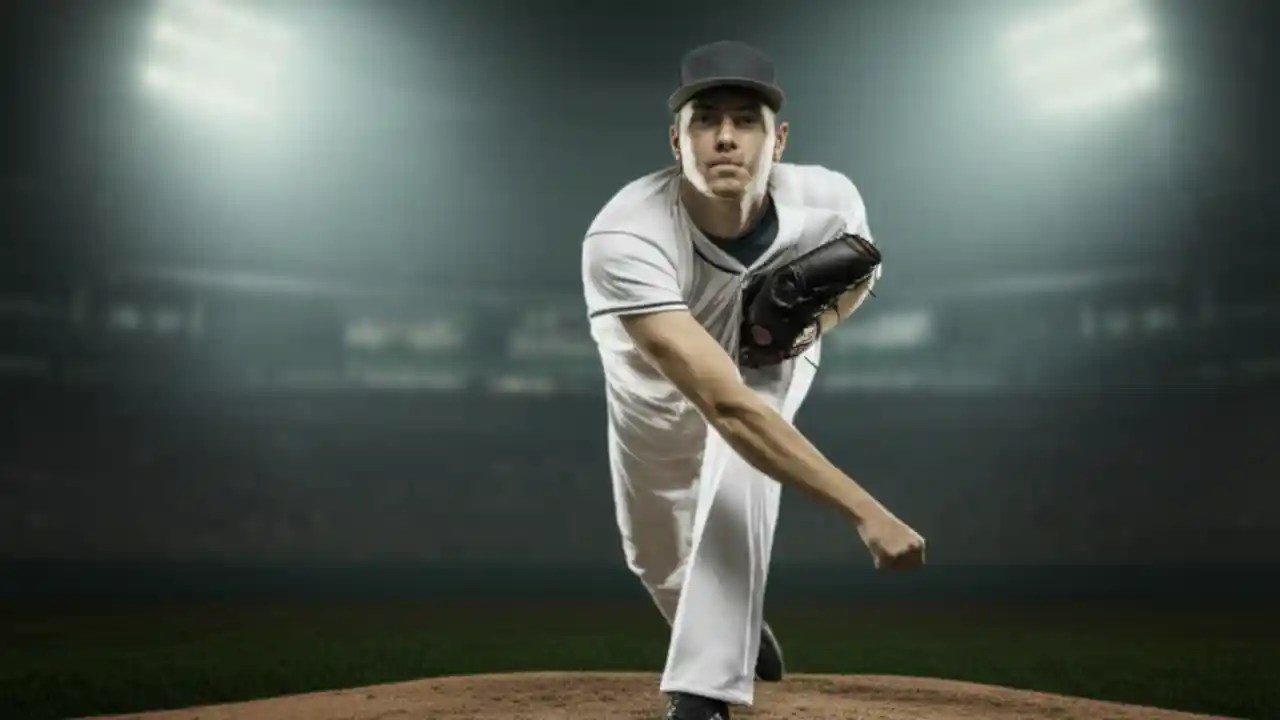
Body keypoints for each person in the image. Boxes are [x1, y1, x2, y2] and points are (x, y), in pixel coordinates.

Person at [580, 40, 926, 720]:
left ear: (780, 139)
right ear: (676, 140)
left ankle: (705, 689)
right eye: (706, 119)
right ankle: (730, 622)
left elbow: (862, 279)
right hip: (653, 396)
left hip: (764, 366)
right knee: (653, 556)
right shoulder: (625, 234)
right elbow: (721, 403)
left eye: (747, 120)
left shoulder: (830, 202)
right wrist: (867, 510)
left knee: (743, 472)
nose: (727, 138)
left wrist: (803, 333)